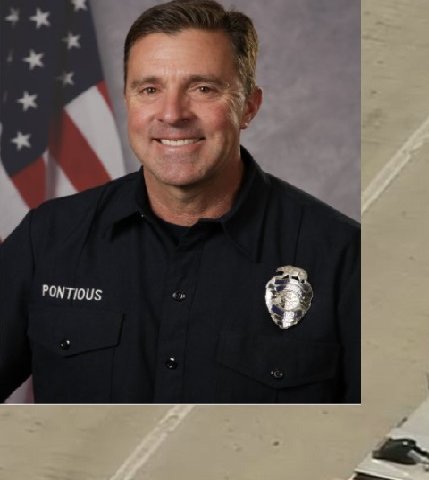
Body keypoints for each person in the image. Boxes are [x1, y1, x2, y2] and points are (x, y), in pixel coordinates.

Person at [0, 0, 360, 404]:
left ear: (249, 107)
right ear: (127, 102)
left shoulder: (344, 259)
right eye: (149, 89)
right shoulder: (47, 239)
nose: (172, 114)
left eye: (203, 88)